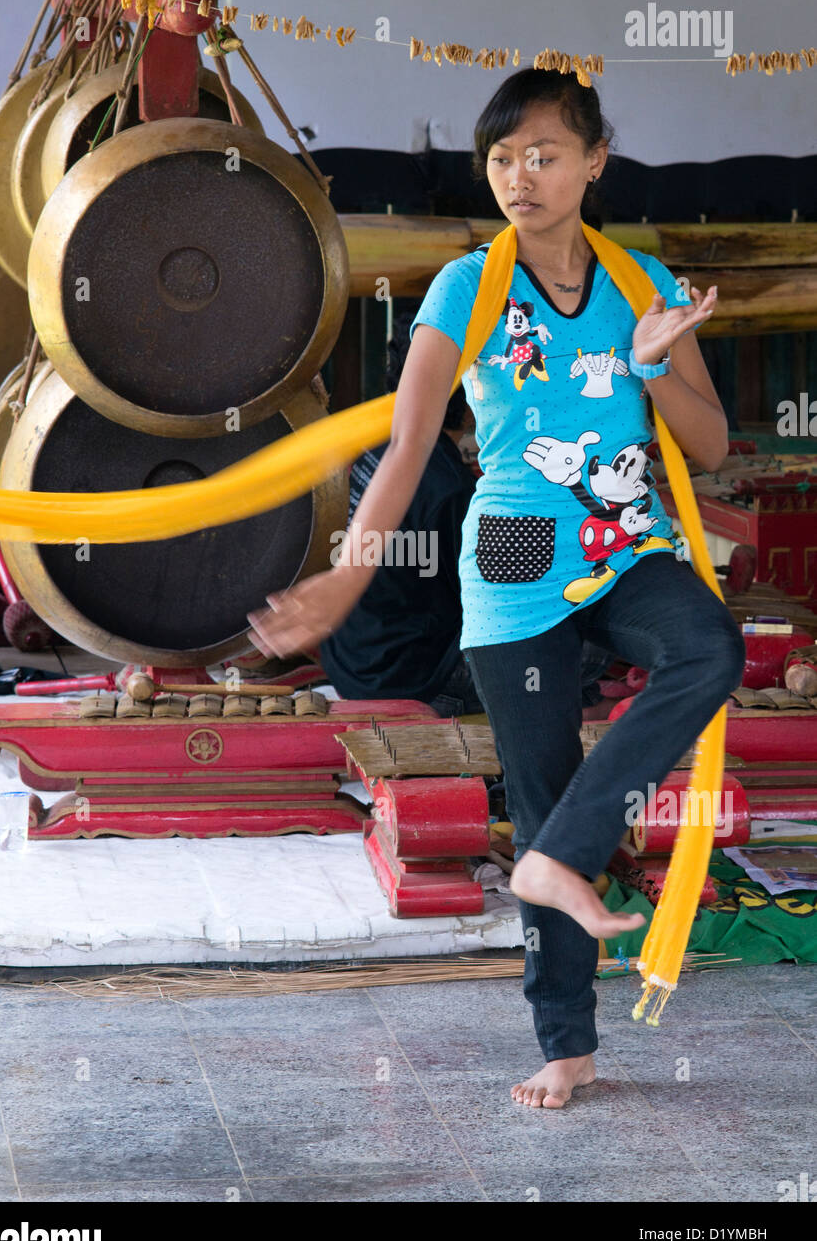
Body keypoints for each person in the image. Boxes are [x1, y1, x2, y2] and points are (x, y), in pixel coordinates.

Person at [248, 68, 745, 1110]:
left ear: (595, 161)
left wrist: (654, 363)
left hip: (622, 540)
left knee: (709, 647)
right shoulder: (468, 287)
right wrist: (345, 579)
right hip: (517, 550)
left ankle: (560, 855)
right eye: (504, 157)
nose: (521, 175)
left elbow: (706, 446)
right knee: (544, 789)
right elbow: (408, 443)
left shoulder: (643, 282)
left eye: (546, 154)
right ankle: (566, 1040)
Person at [319, 307, 618, 718]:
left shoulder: (377, 445)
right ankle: (576, 711)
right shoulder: (447, 486)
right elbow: (496, 606)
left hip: (351, 658)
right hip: (411, 678)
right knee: (591, 622)